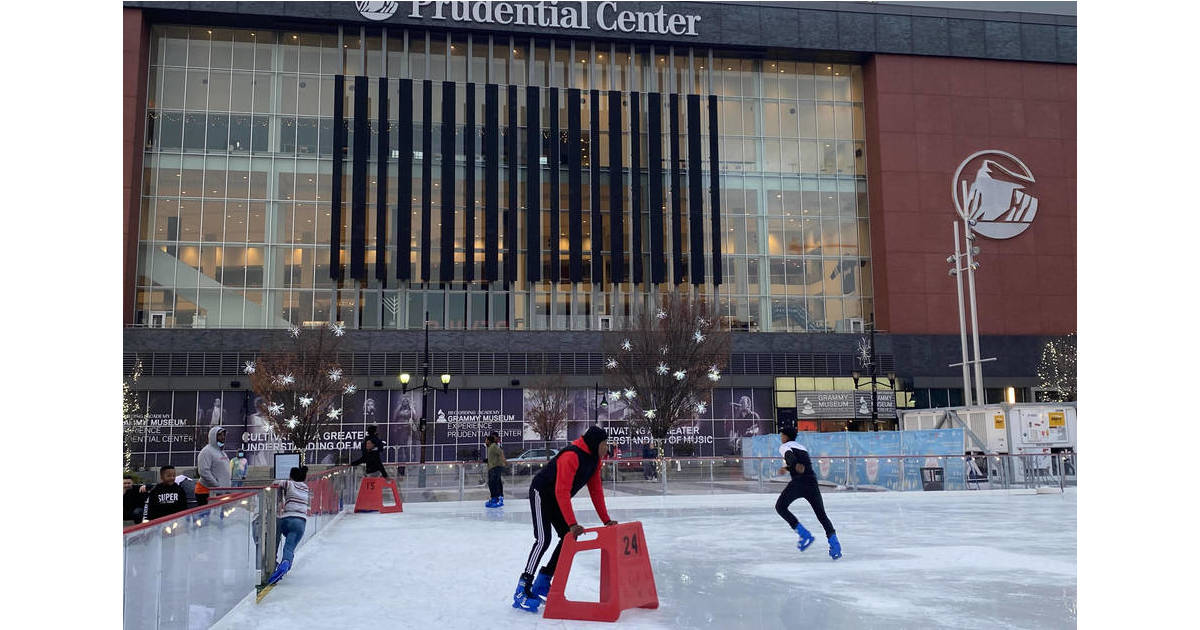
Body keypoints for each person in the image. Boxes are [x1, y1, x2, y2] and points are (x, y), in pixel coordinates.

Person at [513, 426, 617, 613]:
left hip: (556, 498)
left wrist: (606, 520)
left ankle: (543, 582)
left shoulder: (595, 460)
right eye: (604, 443)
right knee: (544, 539)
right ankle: (522, 588)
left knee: (569, 537)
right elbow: (562, 490)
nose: (606, 447)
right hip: (542, 493)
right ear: (595, 443)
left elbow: (596, 490)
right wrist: (572, 523)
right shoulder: (572, 456)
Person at [775, 426, 841, 559]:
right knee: (822, 515)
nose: (781, 437)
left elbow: (790, 457)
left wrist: (792, 465)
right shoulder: (802, 447)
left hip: (799, 482)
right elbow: (802, 463)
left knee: (780, 507)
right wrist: (788, 468)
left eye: (782, 435)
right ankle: (835, 544)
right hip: (812, 483)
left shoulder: (784, 446)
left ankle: (804, 534)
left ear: (786, 437)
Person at [267, 466, 310, 585]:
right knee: (289, 548)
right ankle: (285, 563)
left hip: (285, 519)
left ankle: (271, 562)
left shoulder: (289, 484)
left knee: (275, 537)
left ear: (291, 477)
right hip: (299, 522)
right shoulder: (306, 488)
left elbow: (276, 483)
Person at [196, 426, 231, 505]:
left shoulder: (221, 452)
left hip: (220, 492)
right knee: (208, 516)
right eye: (219, 435)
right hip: (206, 491)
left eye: (223, 435)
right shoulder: (206, 451)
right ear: (213, 436)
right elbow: (203, 471)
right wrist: (216, 485)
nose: (222, 437)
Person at [485, 432, 508, 508]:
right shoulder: (490, 447)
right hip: (492, 467)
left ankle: (498, 498)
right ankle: (494, 498)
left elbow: (500, 453)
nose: (485, 441)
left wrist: (504, 461)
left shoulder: (494, 446)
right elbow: (494, 456)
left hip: (495, 467)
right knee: (492, 483)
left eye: (486, 440)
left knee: (495, 483)